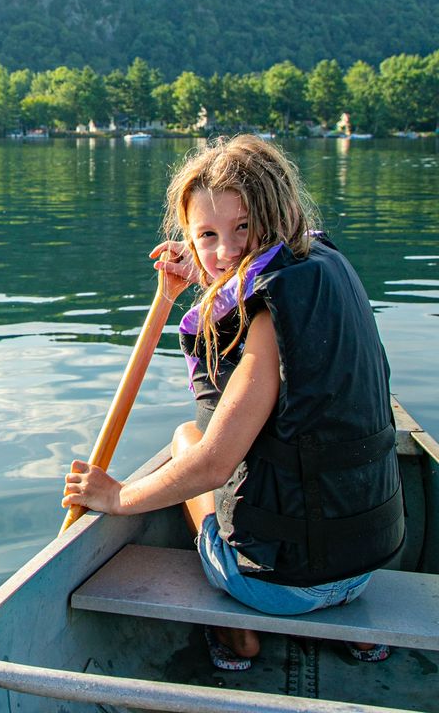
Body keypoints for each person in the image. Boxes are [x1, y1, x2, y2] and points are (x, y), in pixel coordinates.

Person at [63, 135, 404, 671]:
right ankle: (360, 636)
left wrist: (119, 497)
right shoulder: (324, 263)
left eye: (242, 227)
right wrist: (199, 280)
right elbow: (247, 274)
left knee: (186, 441)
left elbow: (216, 463)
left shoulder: (267, 320)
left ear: (277, 214)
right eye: (207, 235)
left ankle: (238, 630)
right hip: (369, 566)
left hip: (282, 586)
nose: (225, 250)